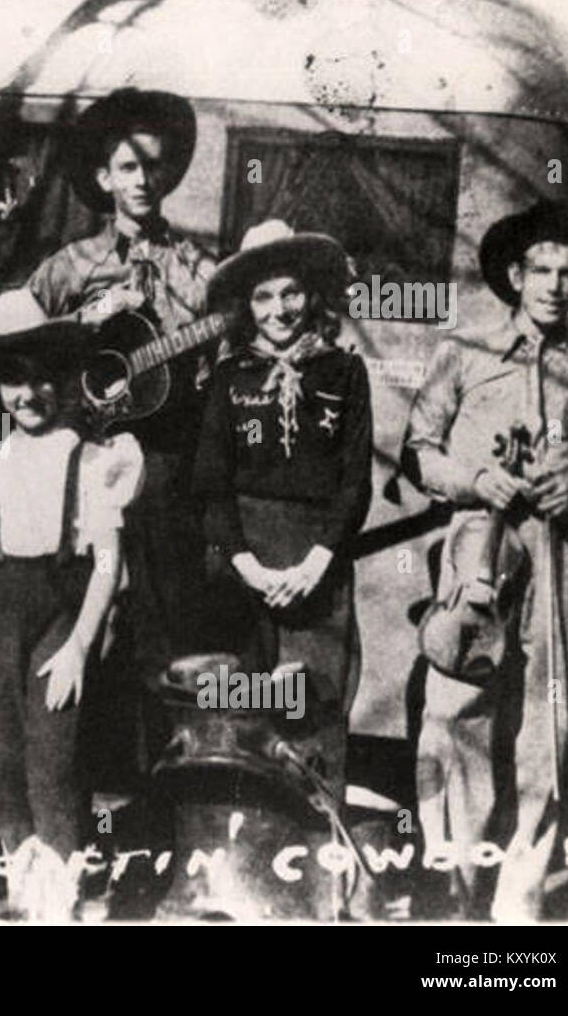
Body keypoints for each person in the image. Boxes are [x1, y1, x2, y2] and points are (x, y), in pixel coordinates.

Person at [401, 200, 568, 921]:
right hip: (478, 554)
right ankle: (452, 892)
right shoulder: (464, 350)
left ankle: (518, 902)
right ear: (515, 276)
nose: (554, 284)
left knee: (551, 717)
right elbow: (419, 451)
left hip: (566, 555)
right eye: (541, 269)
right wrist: (473, 478)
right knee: (457, 710)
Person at [26, 88, 217, 764]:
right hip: (78, 467)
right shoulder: (67, 267)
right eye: (127, 168)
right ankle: (73, 786)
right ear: (104, 178)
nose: (142, 181)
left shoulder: (198, 269)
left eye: (153, 167)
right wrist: (83, 324)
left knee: (165, 630)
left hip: (164, 468)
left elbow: (224, 358)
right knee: (73, 614)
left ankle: (164, 789)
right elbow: (17, 348)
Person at [0, 289, 144, 858]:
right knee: (4, 767)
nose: (27, 395)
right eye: (12, 381)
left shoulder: (92, 458)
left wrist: (81, 644)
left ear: (62, 376)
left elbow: (109, 558)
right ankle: (25, 889)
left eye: (40, 378)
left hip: (59, 614)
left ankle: (64, 891)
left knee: (54, 762)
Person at [192, 221, 371, 774]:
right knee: (239, 704)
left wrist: (319, 561)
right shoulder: (229, 377)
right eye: (264, 296)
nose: (279, 309)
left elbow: (354, 479)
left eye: (291, 292)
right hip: (241, 562)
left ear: (312, 295)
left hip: (316, 560)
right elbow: (211, 483)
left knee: (312, 705)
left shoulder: (344, 371)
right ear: (248, 305)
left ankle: (318, 844)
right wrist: (246, 566)